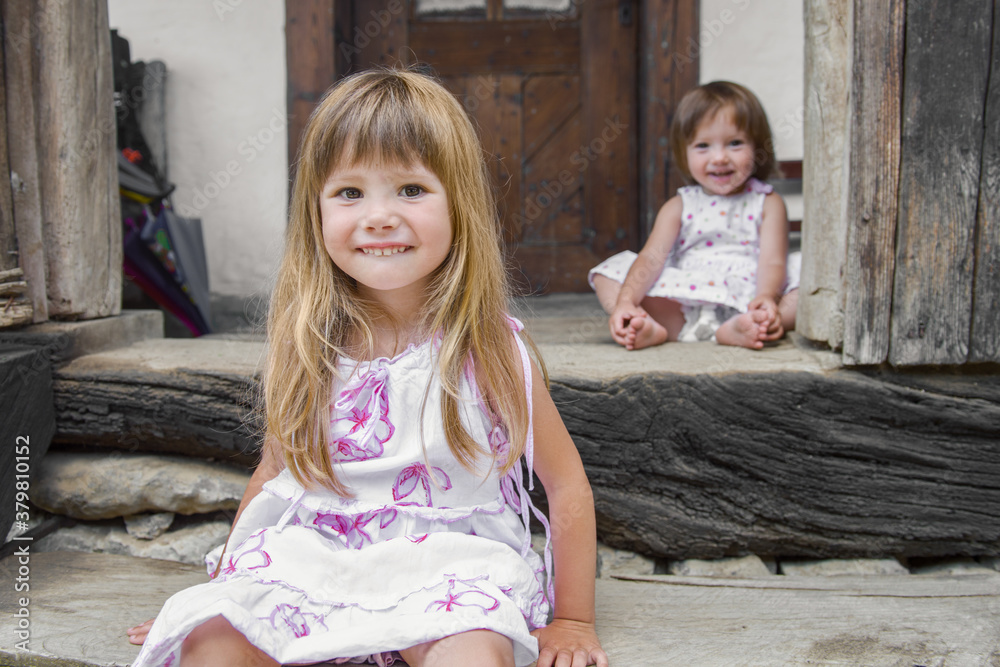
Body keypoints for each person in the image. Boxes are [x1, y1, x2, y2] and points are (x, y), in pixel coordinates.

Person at [126, 68, 607, 667]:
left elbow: (565, 485)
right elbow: (273, 472)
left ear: (460, 204)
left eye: (410, 189)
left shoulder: (487, 350)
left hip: (447, 564)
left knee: (473, 656)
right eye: (350, 193)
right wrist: (219, 592)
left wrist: (574, 618)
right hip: (318, 554)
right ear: (316, 211)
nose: (378, 216)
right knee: (213, 644)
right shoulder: (310, 346)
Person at [590, 81, 800, 351]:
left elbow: (772, 262)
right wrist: (627, 301)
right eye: (703, 146)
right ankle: (645, 323)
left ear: (758, 147)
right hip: (684, 298)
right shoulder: (679, 205)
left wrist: (766, 297)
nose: (720, 157)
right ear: (684, 152)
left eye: (735, 143)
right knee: (608, 274)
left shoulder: (767, 203)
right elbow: (651, 258)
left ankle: (752, 325)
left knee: (807, 278)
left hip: (748, 296)